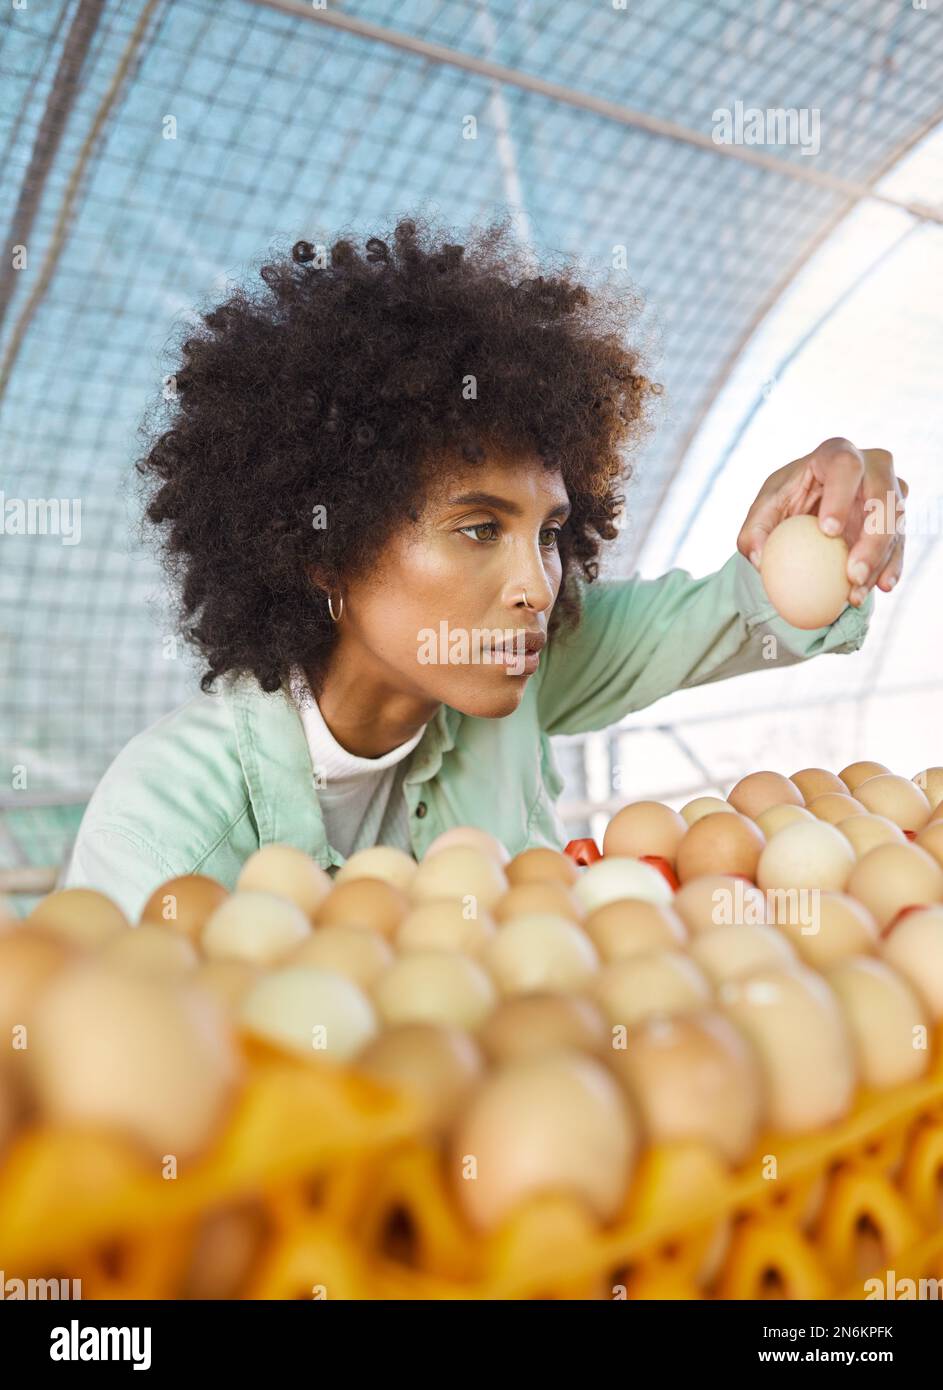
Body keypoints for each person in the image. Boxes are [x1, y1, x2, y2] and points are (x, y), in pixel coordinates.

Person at [64, 215, 906, 922]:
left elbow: (746, 613)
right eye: (476, 528)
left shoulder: (518, 665)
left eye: (547, 532)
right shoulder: (164, 826)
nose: (538, 588)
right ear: (324, 551)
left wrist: (829, 522)